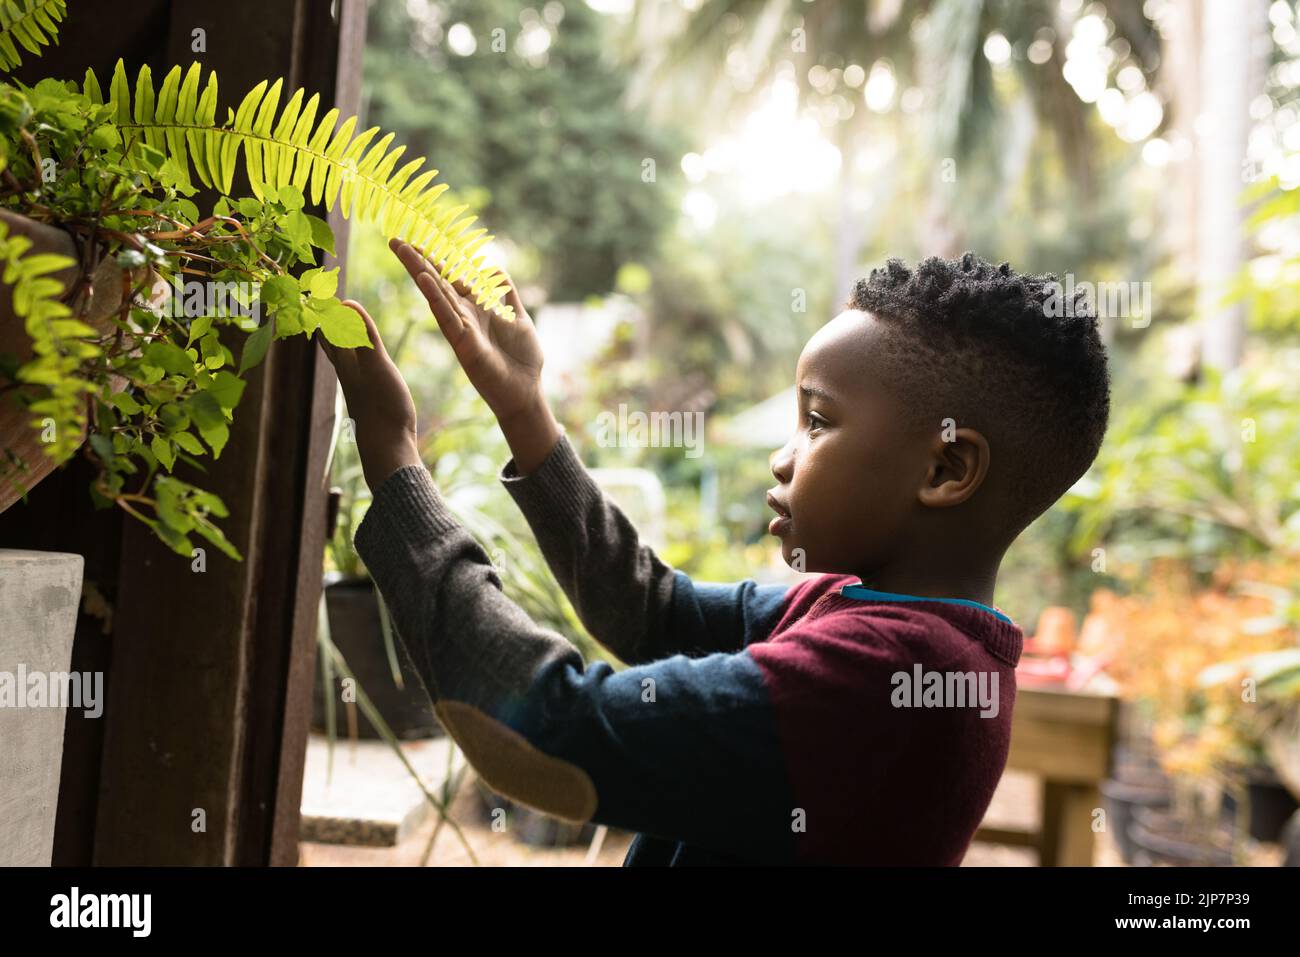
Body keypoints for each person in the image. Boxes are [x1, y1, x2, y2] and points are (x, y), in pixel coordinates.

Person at [317, 242, 1111, 865]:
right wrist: (525, 409)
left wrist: (392, 457)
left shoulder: (887, 677)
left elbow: (551, 734)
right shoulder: (871, 615)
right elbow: (653, 610)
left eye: (819, 422)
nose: (783, 456)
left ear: (944, 468)